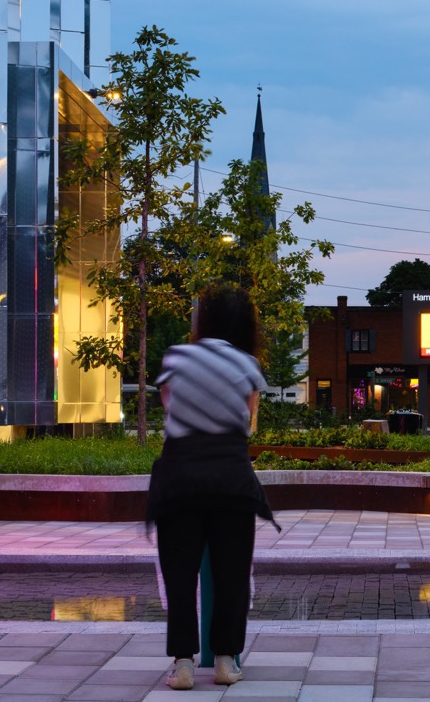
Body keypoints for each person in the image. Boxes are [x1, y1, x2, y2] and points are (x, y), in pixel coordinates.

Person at [150, 285, 275, 690]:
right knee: (232, 573)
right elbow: (249, 421)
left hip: (180, 478)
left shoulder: (177, 356)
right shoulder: (248, 363)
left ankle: (183, 664)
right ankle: (224, 660)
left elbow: (170, 405)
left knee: (180, 574)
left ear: (202, 320)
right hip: (231, 478)